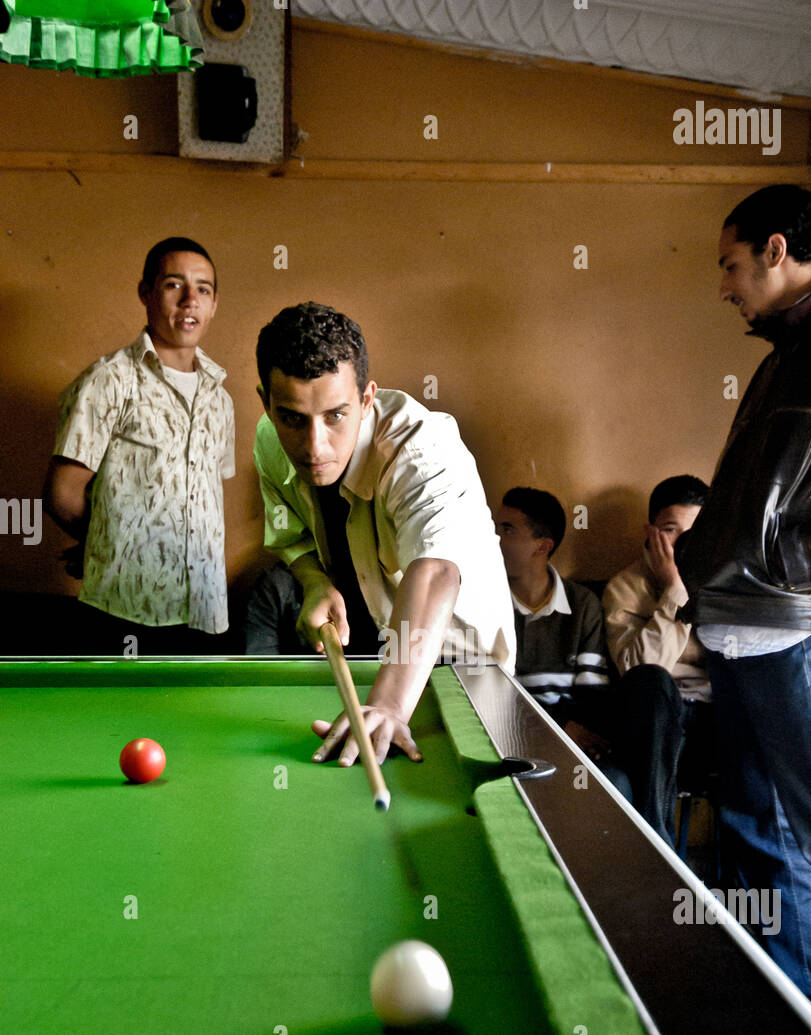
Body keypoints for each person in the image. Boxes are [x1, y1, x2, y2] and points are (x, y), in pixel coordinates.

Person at [677, 184, 811, 1035]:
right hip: (743, 638)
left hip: (797, 633)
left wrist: (787, 568)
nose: (723, 286)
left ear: (779, 250)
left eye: (731, 264)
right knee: (760, 845)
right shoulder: (783, 353)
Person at [253, 302, 514, 765]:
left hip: (468, 671)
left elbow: (434, 571)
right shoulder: (270, 439)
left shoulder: (424, 450)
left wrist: (391, 704)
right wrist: (315, 582)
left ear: (367, 398)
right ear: (266, 403)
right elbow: (290, 533)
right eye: (293, 417)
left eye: (336, 415)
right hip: (380, 656)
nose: (315, 447)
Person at [43, 237, 234, 654]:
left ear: (214, 303)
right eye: (173, 285)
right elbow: (64, 493)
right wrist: (113, 540)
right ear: (145, 293)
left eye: (203, 289)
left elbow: (202, 501)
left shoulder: (220, 397)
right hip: (124, 607)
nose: (189, 300)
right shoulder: (109, 380)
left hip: (205, 607)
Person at [603, 475, 712, 844]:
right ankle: (655, 841)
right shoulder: (625, 587)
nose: (683, 543)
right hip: (654, 728)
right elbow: (637, 672)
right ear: (651, 532)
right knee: (652, 681)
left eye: (695, 531)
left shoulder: (724, 582)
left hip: (715, 725)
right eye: (671, 530)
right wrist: (674, 591)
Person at [495, 487, 610, 759]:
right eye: (496, 527)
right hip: (509, 734)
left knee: (615, 781)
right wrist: (557, 724)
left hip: (572, 741)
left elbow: (592, 696)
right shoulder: (486, 602)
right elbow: (488, 693)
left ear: (543, 546)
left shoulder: (582, 604)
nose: (495, 538)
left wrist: (566, 731)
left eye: (508, 529)